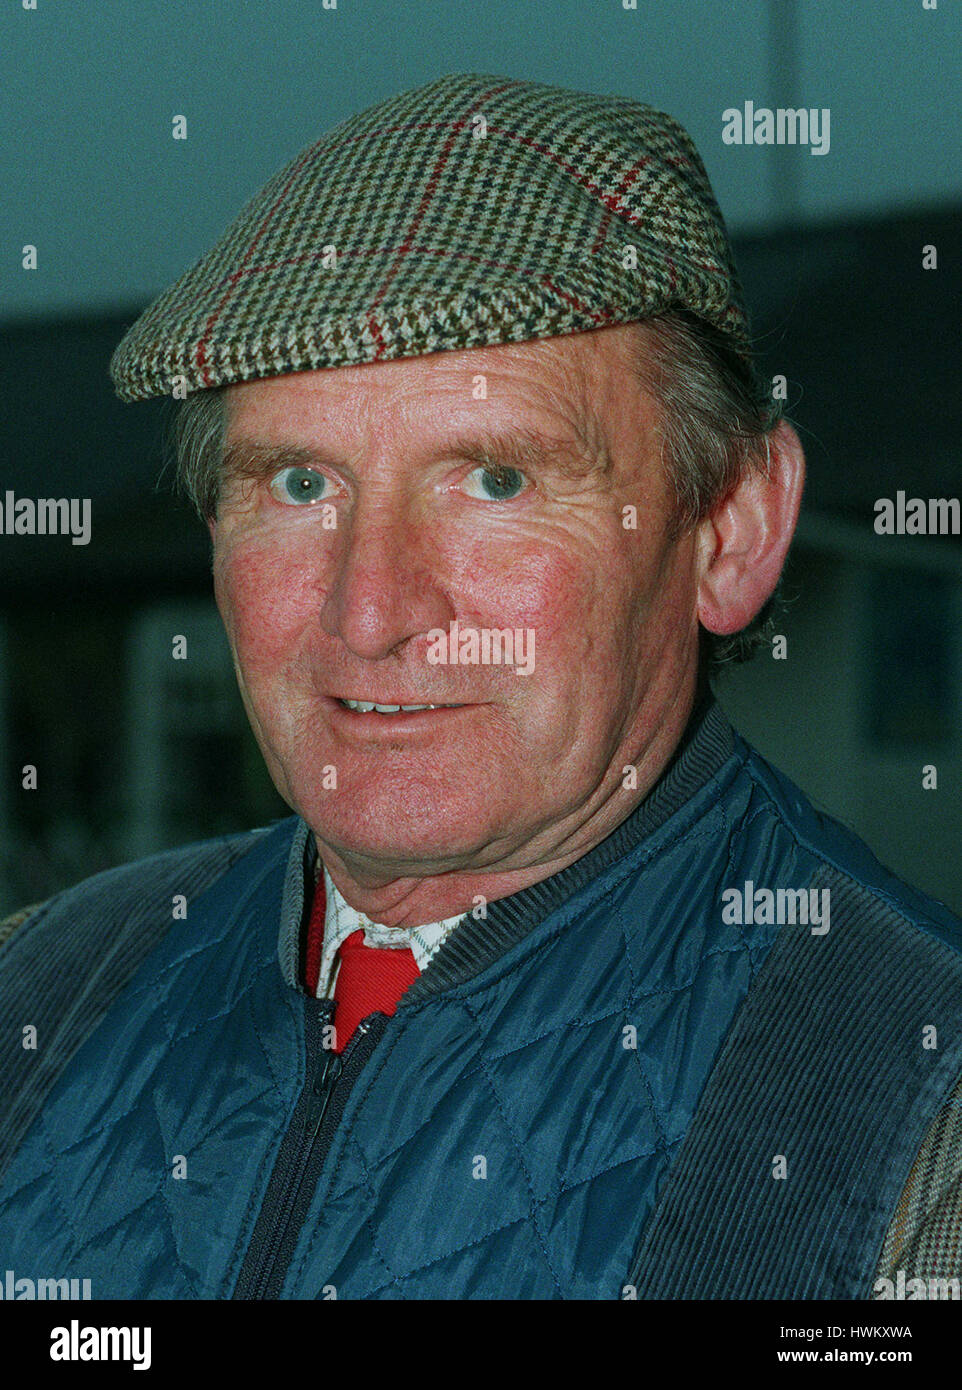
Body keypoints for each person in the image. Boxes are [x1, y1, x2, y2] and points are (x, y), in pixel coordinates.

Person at [1, 72, 960, 1302]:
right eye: (298, 484)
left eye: (494, 479)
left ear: (729, 527)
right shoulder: (41, 992)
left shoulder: (915, 1120)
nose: (371, 609)